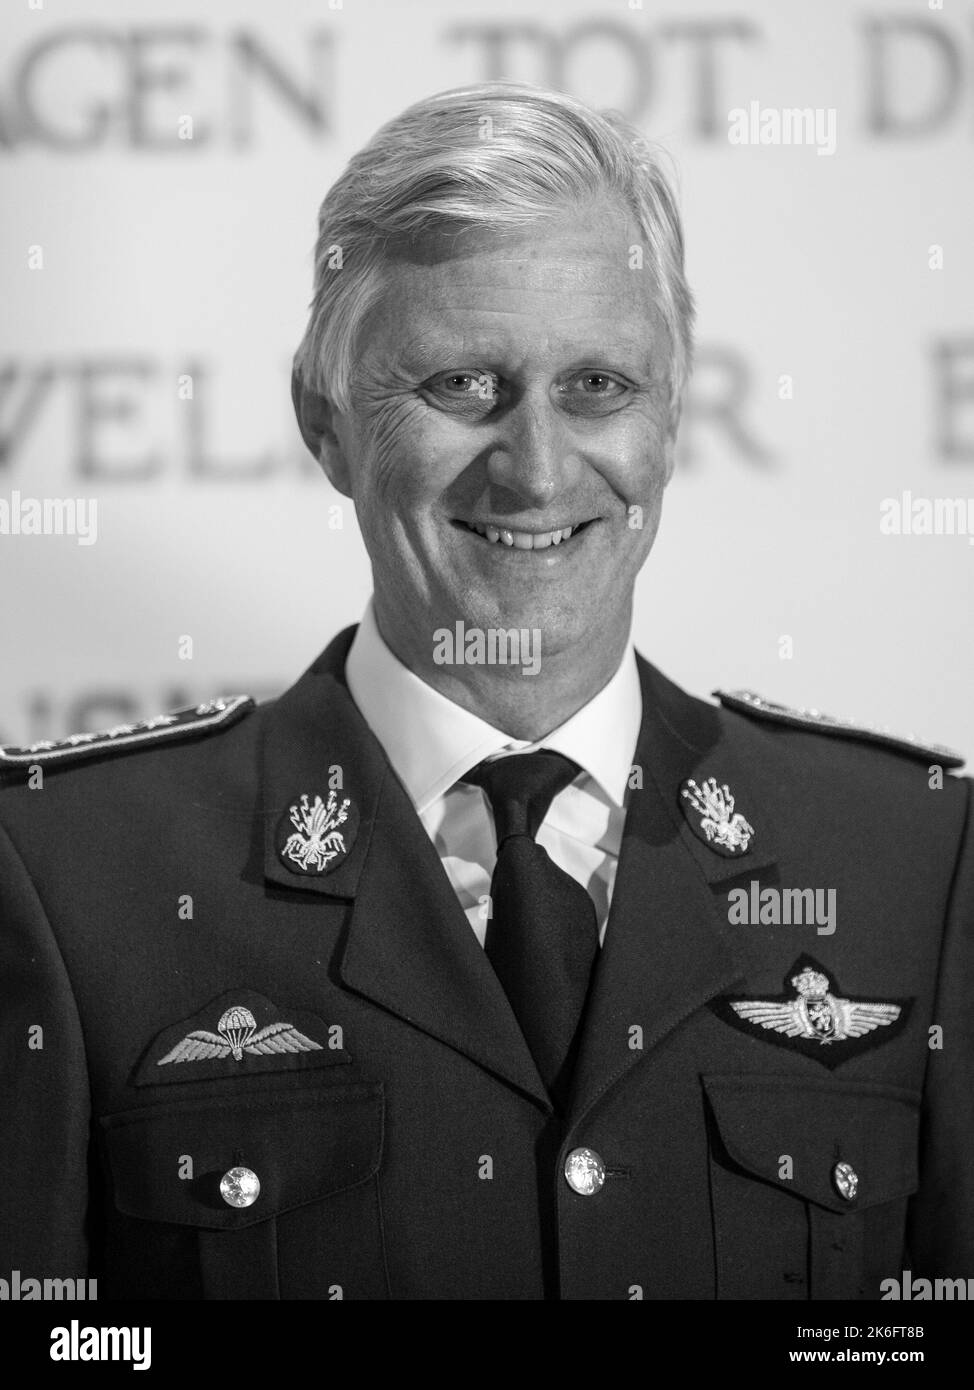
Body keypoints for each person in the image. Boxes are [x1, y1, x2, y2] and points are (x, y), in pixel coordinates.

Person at [1, 81, 971, 1302]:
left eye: (598, 387)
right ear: (325, 424)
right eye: (461, 386)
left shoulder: (912, 857)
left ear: (668, 420)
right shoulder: (71, 873)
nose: (537, 469)